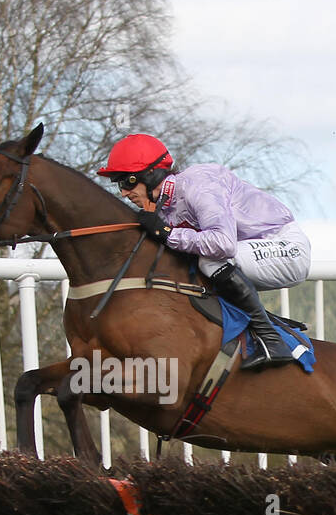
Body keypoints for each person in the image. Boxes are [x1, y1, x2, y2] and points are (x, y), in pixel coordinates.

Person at [97, 133, 311, 370]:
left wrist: (167, 234)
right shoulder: (163, 209)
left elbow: (223, 244)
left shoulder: (198, 184)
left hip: (285, 247)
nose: (124, 193)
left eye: (127, 182)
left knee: (209, 262)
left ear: (151, 174)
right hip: (250, 251)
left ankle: (272, 340)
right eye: (118, 184)